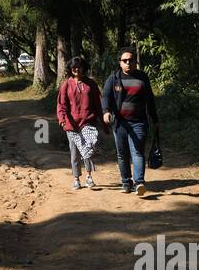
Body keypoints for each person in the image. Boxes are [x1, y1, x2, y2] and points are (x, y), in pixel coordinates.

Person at [102, 47, 159, 196]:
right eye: (125, 60)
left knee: (137, 152)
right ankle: (126, 182)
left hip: (139, 122)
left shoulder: (142, 78)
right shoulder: (113, 78)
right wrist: (106, 112)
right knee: (122, 154)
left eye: (131, 60)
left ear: (135, 61)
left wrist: (154, 118)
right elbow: (106, 96)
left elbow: (150, 100)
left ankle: (139, 183)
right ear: (120, 62)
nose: (128, 63)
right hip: (119, 123)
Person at [56, 55, 103, 191]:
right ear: (70, 69)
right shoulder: (66, 84)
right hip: (71, 125)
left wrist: (103, 118)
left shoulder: (91, 84)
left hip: (87, 122)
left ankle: (89, 177)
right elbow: (61, 104)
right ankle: (76, 179)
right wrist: (62, 120)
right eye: (74, 67)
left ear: (84, 68)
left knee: (88, 149)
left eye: (79, 67)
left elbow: (99, 103)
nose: (77, 69)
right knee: (75, 153)